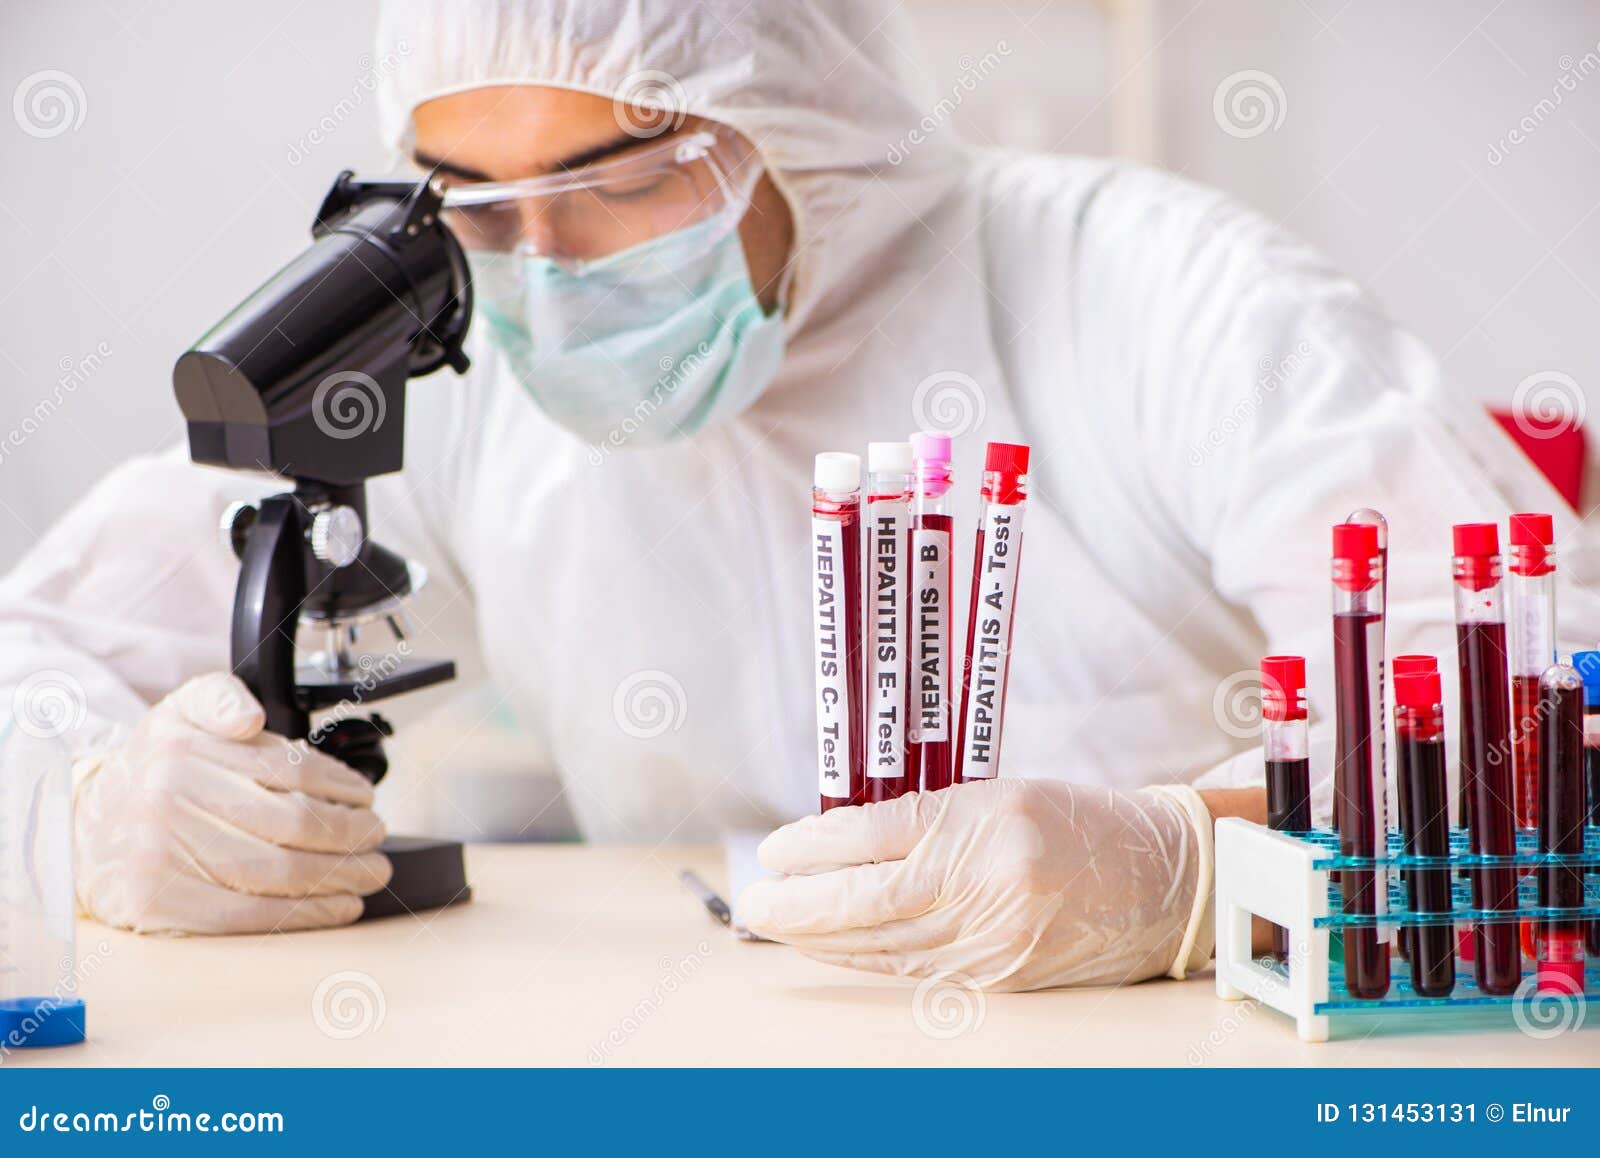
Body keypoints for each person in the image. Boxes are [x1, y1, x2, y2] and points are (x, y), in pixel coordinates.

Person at [3, 0, 1593, 988]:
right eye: (476, 202)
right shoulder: (493, 408)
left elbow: (1553, 730)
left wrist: (1197, 871)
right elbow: (39, 652)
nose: (542, 277)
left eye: (617, 175)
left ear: (799, 121)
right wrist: (95, 807)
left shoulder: (1157, 300)